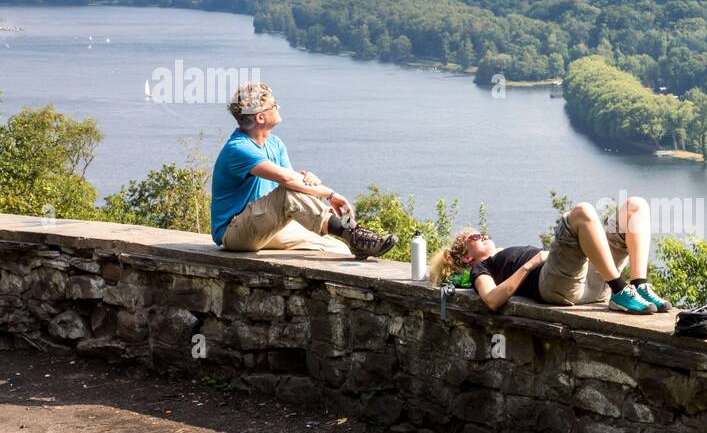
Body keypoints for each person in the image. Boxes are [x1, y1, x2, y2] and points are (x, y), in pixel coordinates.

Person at [211, 82, 396, 258]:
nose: (278, 107)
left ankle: (353, 242)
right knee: (288, 192)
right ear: (260, 117)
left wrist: (305, 178)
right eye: (274, 105)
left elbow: (296, 186)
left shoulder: (275, 144)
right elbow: (288, 183)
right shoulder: (239, 149)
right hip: (235, 232)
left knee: (338, 249)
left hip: (265, 224)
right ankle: (353, 232)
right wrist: (330, 194)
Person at [431, 196, 672, 315]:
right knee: (583, 212)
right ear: (466, 258)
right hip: (556, 287)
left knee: (635, 205)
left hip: (593, 282)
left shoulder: (502, 253)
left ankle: (639, 285)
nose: (482, 236)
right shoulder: (481, 269)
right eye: (474, 238)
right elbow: (492, 299)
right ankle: (621, 291)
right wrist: (530, 264)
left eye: (482, 233)